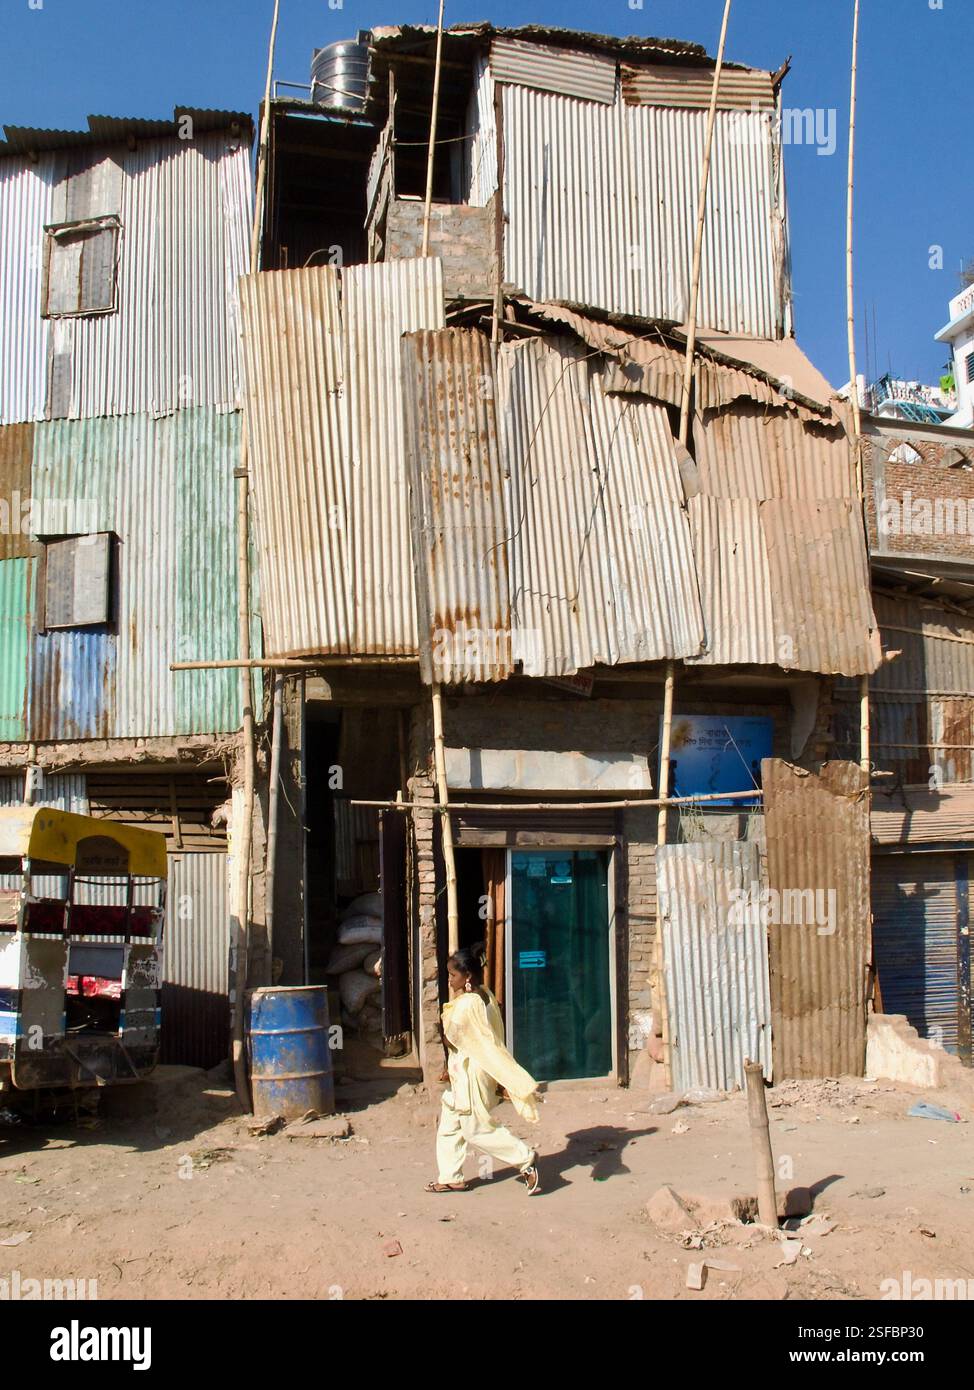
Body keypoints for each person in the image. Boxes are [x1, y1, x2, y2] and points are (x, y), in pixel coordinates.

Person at [426, 943, 542, 1196]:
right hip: (468, 1070)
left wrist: (442, 1031)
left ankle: (526, 1159)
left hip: (470, 1074)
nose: (450, 980)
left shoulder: (468, 1004)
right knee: (450, 1124)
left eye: (453, 975)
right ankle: (450, 1176)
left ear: (467, 975)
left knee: (475, 1129)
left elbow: (453, 1039)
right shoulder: (486, 995)